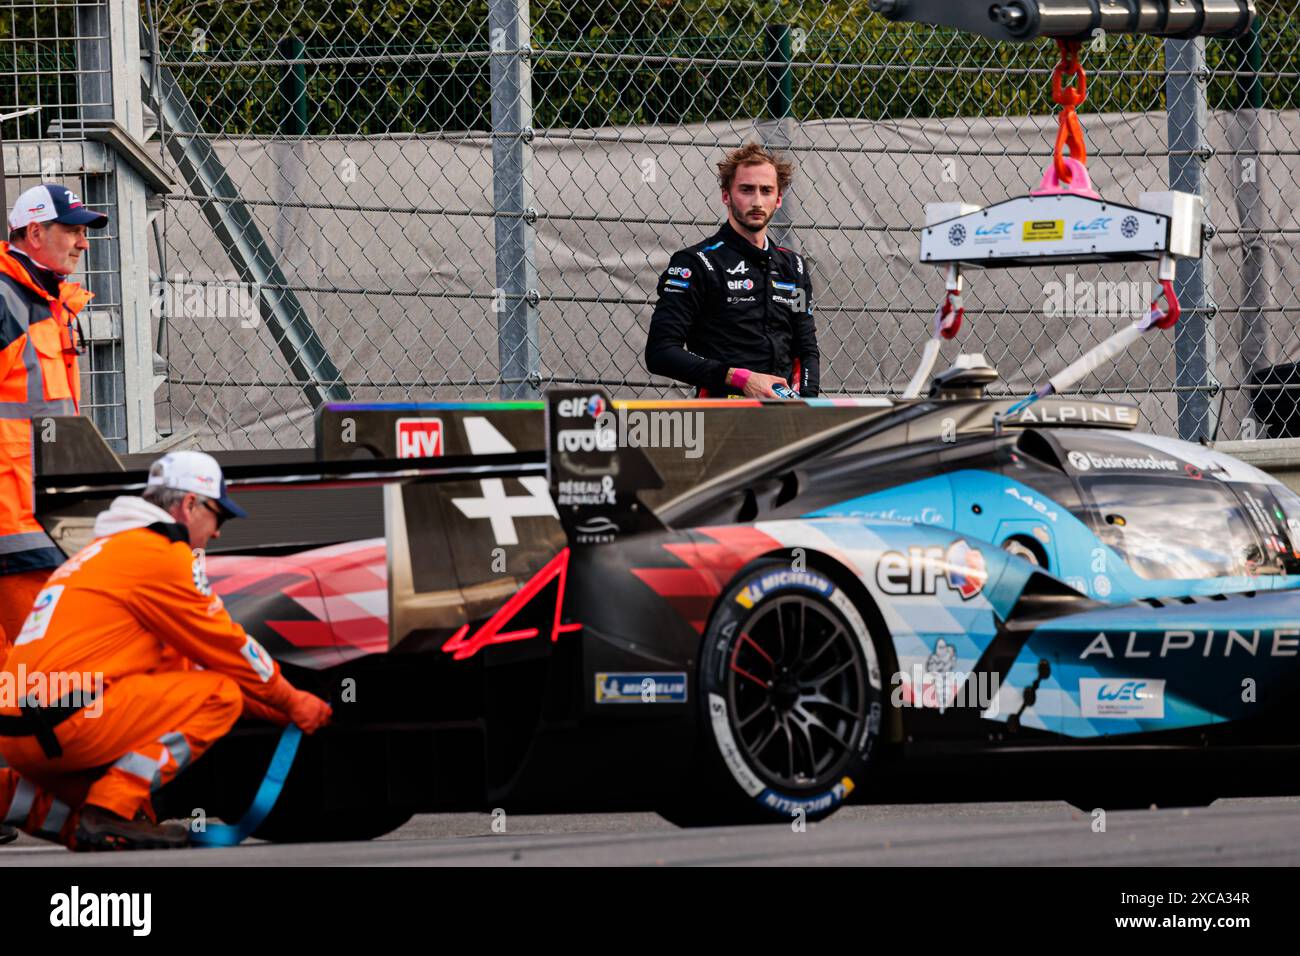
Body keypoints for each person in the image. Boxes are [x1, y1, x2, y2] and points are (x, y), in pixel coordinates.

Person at [0, 451, 332, 850]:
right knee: (218, 696)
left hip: (21, 731)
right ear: (190, 504)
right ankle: (108, 809)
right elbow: (226, 644)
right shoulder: (160, 555)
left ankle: (28, 802)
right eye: (218, 517)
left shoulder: (102, 553)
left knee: (121, 829)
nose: (218, 533)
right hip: (68, 722)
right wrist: (294, 701)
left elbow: (182, 669)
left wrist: (272, 708)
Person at [0, 184, 106, 661]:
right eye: (72, 230)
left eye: (85, 232)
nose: (83, 243)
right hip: (14, 523)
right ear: (35, 231)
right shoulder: (9, 301)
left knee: (34, 676)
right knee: (41, 673)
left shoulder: (51, 303)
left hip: (45, 518)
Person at [645, 142, 820, 399]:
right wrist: (740, 379)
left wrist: (806, 403)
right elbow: (660, 353)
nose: (758, 201)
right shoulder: (695, 264)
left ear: (779, 198)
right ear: (726, 195)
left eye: (766, 190)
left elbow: (805, 348)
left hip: (784, 414)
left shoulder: (793, 268)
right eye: (747, 190)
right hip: (720, 415)